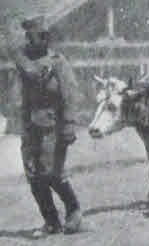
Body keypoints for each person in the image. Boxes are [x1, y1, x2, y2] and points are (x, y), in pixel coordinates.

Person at [11, 16, 85, 237]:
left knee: (52, 173)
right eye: (37, 35)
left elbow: (70, 95)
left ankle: (73, 211)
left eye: (45, 35)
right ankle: (51, 222)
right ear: (29, 36)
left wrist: (69, 124)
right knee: (33, 175)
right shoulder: (22, 62)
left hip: (55, 125)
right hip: (30, 125)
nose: (42, 39)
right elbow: (17, 94)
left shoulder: (58, 61)